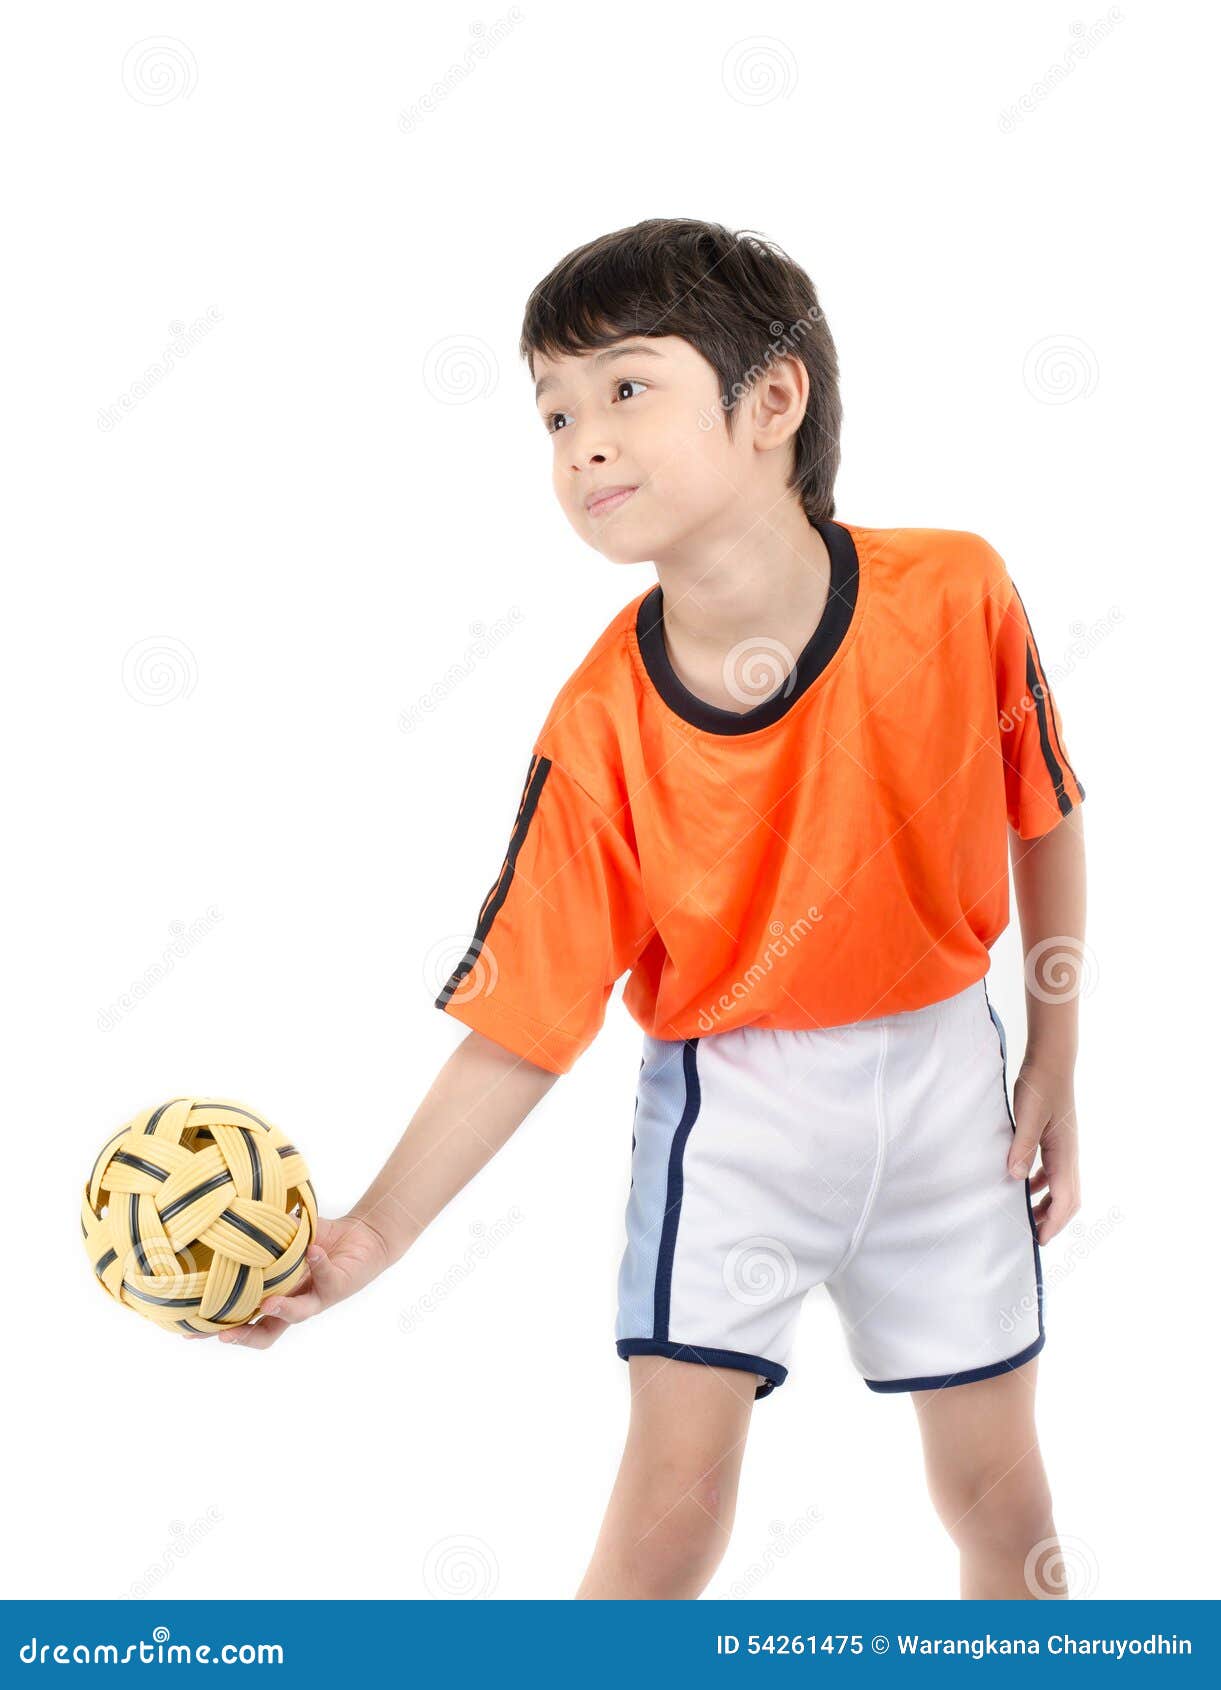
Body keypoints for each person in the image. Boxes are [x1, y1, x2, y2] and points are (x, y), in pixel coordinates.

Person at [212, 218, 1087, 1602]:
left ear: (772, 401)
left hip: (945, 1099)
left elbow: (1040, 811)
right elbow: (523, 1019)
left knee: (1002, 1504)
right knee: (673, 1513)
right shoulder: (601, 720)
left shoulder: (955, 588)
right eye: (552, 410)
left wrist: (1052, 1060)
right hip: (734, 1118)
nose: (580, 441)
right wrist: (368, 1234)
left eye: (625, 387)